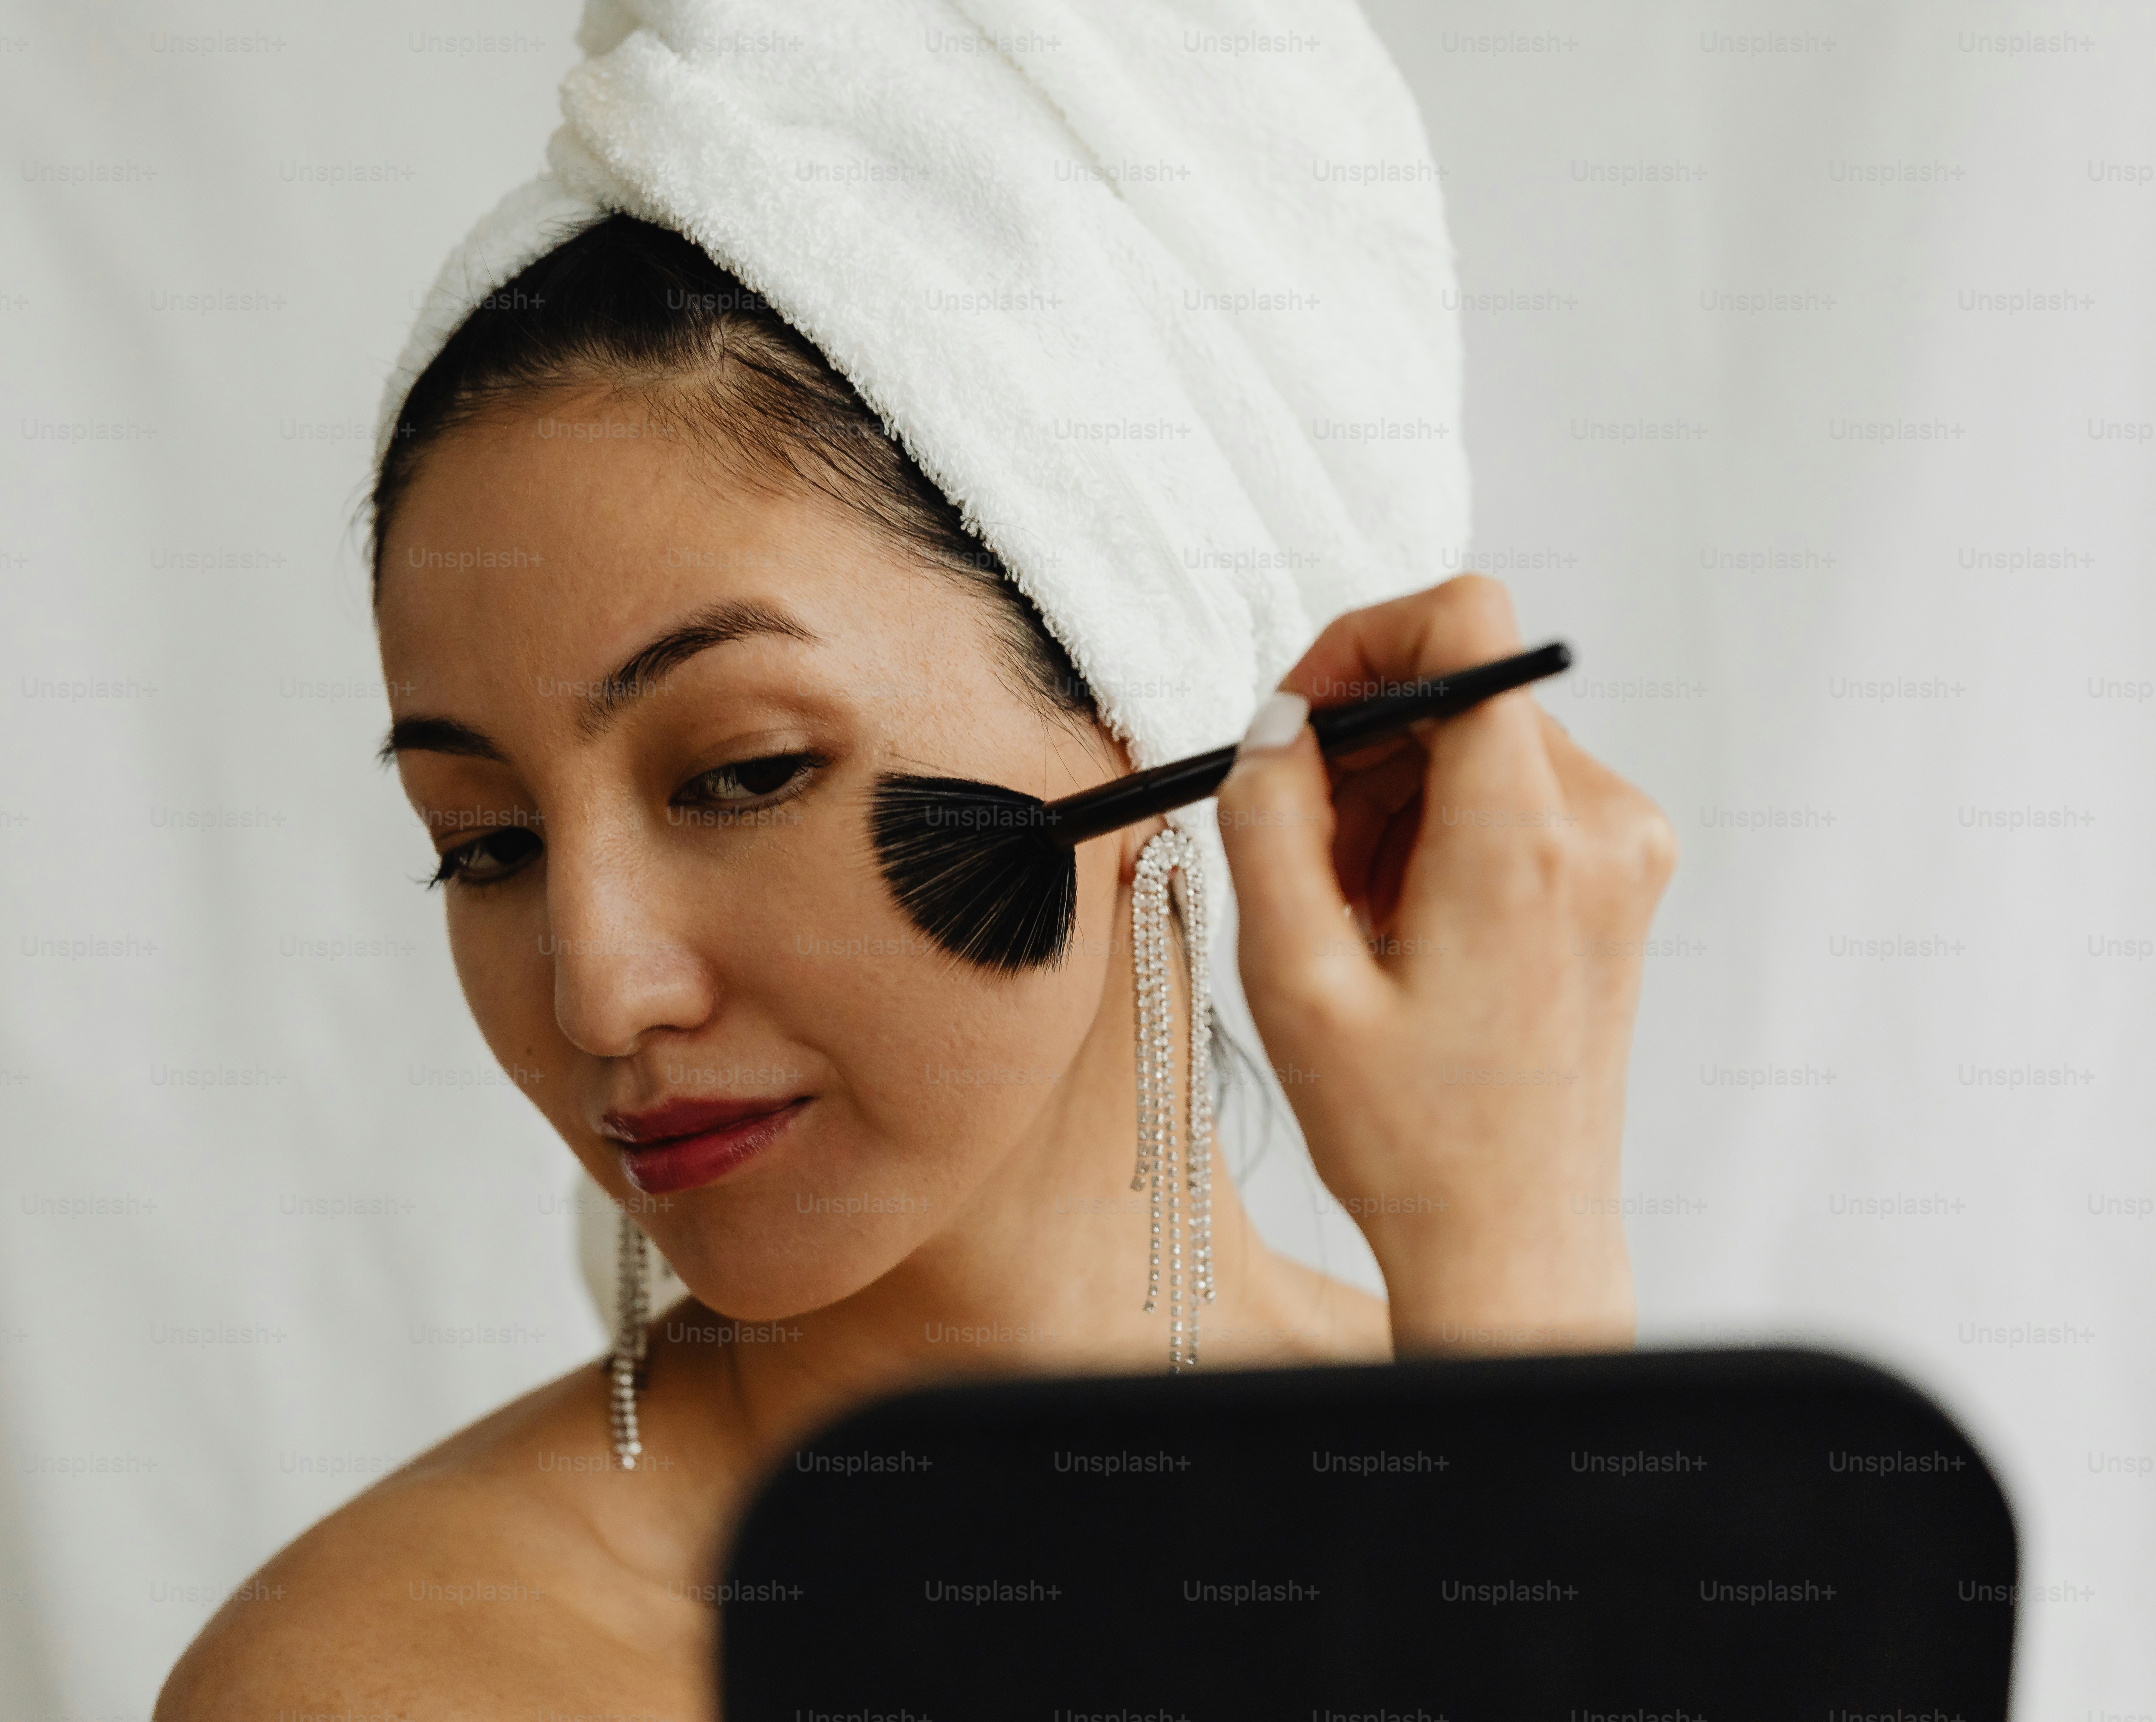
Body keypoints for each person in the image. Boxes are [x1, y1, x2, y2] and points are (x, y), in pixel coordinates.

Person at [154, 212, 1674, 1721]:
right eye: (487, 843)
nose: (598, 994)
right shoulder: (383, 1681)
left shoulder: (1660, 1513)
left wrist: (1515, 1294)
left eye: (744, 773)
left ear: (1142, 717)